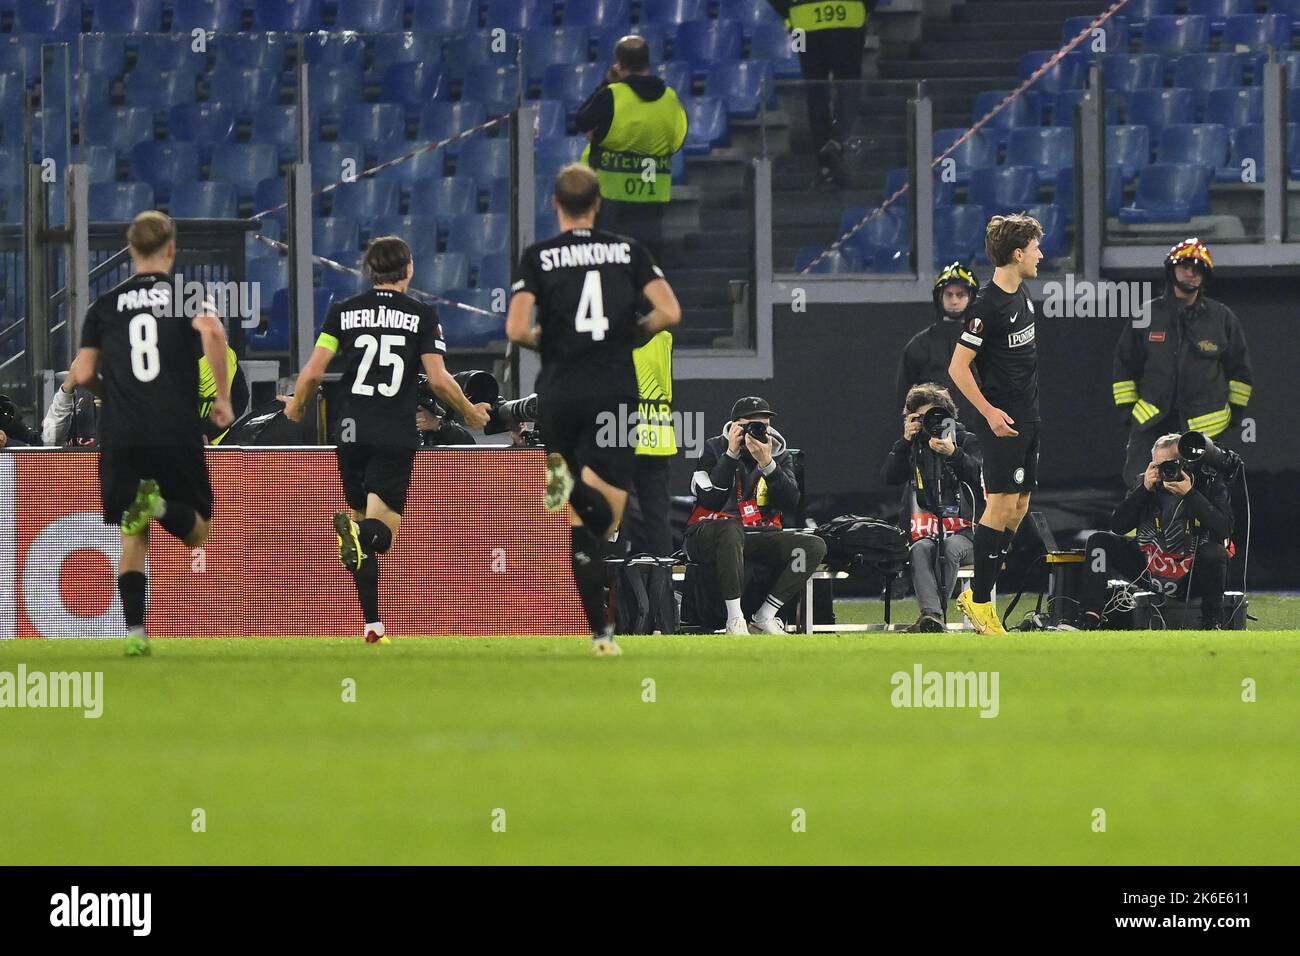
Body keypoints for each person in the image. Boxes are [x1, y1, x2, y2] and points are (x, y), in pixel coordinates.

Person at [506, 163, 682, 656]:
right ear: (598, 204)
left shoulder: (539, 256)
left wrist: (553, 339)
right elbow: (670, 311)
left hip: (559, 392)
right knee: (604, 524)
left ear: (556, 205)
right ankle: (602, 637)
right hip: (616, 395)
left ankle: (600, 634)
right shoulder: (628, 250)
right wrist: (629, 333)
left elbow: (517, 329)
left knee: (571, 512)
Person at [280, 236, 491, 644]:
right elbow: (438, 378)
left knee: (360, 526)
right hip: (393, 431)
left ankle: (373, 625)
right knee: (381, 535)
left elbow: (309, 374)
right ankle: (360, 547)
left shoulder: (342, 312)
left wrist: (296, 408)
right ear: (409, 269)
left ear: (369, 271)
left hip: (350, 430)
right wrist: (469, 412)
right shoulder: (422, 315)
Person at [67, 210, 234, 656]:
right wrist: (222, 398)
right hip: (174, 429)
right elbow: (214, 332)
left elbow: (82, 372)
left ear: (131, 251)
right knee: (198, 532)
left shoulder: (103, 305)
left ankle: (135, 634)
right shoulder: (186, 296)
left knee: (131, 534)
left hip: (121, 433)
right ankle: (158, 503)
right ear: (171, 248)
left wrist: (113, 391)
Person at [948, 213, 1044, 635]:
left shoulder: (1022, 295)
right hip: (1001, 420)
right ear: (1018, 253)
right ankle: (980, 600)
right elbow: (957, 367)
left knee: (1019, 507)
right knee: (1001, 504)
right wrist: (988, 412)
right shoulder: (985, 306)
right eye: (1036, 247)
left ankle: (980, 591)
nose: (1041, 254)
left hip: (1028, 417)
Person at [1112, 238, 1253, 484]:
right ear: (1171, 270)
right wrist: (1129, 412)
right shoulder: (1147, 315)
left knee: (1206, 494)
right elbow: (1124, 367)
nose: (1192, 272)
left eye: (1199, 268)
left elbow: (1240, 374)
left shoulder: (1222, 318)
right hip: (1151, 423)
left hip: (1207, 427)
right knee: (1140, 487)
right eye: (1186, 265)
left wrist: (1234, 416)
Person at [685, 396, 827, 635]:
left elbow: (792, 501)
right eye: (748, 425)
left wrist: (768, 464)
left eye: (761, 425)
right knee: (730, 529)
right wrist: (730, 455)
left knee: (812, 546)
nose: (755, 430)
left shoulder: (778, 453)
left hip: (756, 535)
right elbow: (710, 500)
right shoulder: (712, 448)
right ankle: (735, 618)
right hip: (709, 533)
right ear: (733, 426)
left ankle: (764, 616)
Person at [1078, 433, 1232, 630]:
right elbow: (1118, 526)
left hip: (1192, 573)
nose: (1165, 471)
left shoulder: (1207, 483)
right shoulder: (1146, 483)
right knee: (1099, 541)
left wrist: (1190, 494)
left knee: (1215, 553)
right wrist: (1143, 490)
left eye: (1172, 464)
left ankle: (1213, 622)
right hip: (1149, 566)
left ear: (1187, 463)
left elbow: (1224, 528)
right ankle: (1091, 617)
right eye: (1159, 466)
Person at [576, 35, 688, 260]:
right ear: (647, 61)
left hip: (613, 201)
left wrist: (606, 82)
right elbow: (677, 141)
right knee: (647, 268)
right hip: (652, 197)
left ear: (619, 63)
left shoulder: (612, 95)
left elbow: (581, 122)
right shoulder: (670, 98)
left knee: (613, 268)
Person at [881, 384, 982, 632]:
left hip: (966, 535)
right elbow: (889, 477)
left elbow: (978, 477)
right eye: (921, 417)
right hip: (925, 532)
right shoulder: (913, 445)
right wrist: (905, 441)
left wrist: (953, 453)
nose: (930, 423)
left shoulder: (966, 441)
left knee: (949, 548)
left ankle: (933, 616)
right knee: (920, 549)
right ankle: (932, 616)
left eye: (934, 416)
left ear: (947, 415)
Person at [768, 0, 876, 189]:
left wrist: (789, 14)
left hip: (803, 25)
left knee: (815, 92)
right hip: (848, 20)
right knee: (849, 85)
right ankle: (837, 142)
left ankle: (824, 165)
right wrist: (865, 8)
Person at [895, 262, 980, 418]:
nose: (954, 301)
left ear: (971, 297)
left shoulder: (987, 344)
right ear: (939, 297)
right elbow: (904, 399)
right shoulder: (919, 345)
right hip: (931, 435)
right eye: (949, 294)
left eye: (960, 295)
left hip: (979, 435)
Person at [626, 328, 676, 558]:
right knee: (657, 517)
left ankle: (629, 578)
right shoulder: (663, 338)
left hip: (622, 433)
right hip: (659, 437)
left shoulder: (614, 339)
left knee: (622, 513)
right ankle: (660, 584)